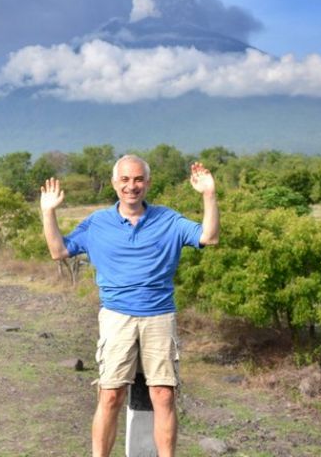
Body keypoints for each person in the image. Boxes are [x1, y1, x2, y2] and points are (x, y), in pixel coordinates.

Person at [40, 155, 220, 457]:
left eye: (138, 179)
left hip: (159, 316)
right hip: (116, 317)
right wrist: (48, 213)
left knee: (163, 394)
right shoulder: (97, 223)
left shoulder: (169, 220)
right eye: (124, 179)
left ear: (147, 183)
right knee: (110, 394)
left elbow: (209, 236)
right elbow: (58, 251)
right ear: (114, 183)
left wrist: (209, 194)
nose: (131, 186)